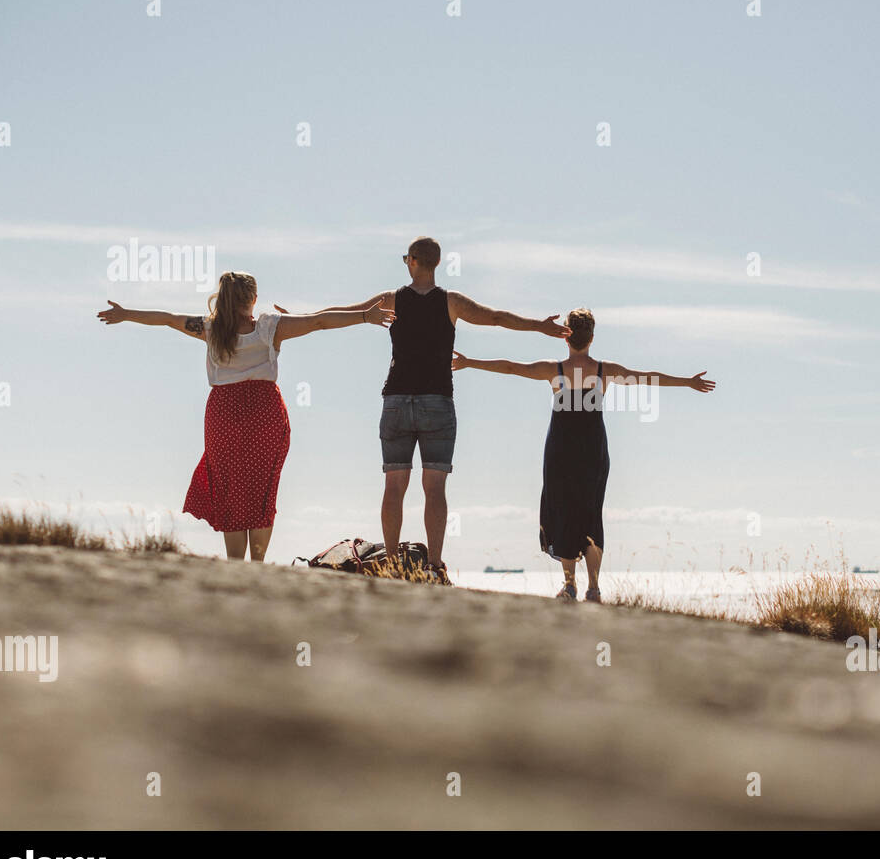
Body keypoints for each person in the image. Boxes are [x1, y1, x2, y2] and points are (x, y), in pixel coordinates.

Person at [291, 236, 569, 584]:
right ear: (435, 264)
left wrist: (302, 318)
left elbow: (346, 313)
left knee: (394, 486)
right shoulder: (451, 302)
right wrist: (539, 326)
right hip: (437, 402)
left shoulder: (392, 299)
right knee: (434, 489)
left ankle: (391, 564)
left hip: (396, 400)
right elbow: (497, 318)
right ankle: (434, 566)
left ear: (412, 261)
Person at [97, 271, 392, 561]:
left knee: (232, 490)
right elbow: (318, 321)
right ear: (253, 298)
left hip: (223, 413)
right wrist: (365, 316)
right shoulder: (269, 327)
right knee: (263, 490)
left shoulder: (210, 328)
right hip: (264, 412)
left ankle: (235, 563)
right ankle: (258, 564)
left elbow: (167, 318)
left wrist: (125, 314)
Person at [451, 308, 715, 601]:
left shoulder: (555, 369)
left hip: (561, 449)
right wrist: (687, 382)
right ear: (591, 337)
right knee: (591, 514)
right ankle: (593, 587)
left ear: (566, 336)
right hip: (592, 450)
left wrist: (469, 362)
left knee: (563, 511)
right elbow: (646, 378)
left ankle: (569, 585)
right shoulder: (604, 370)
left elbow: (513, 367)